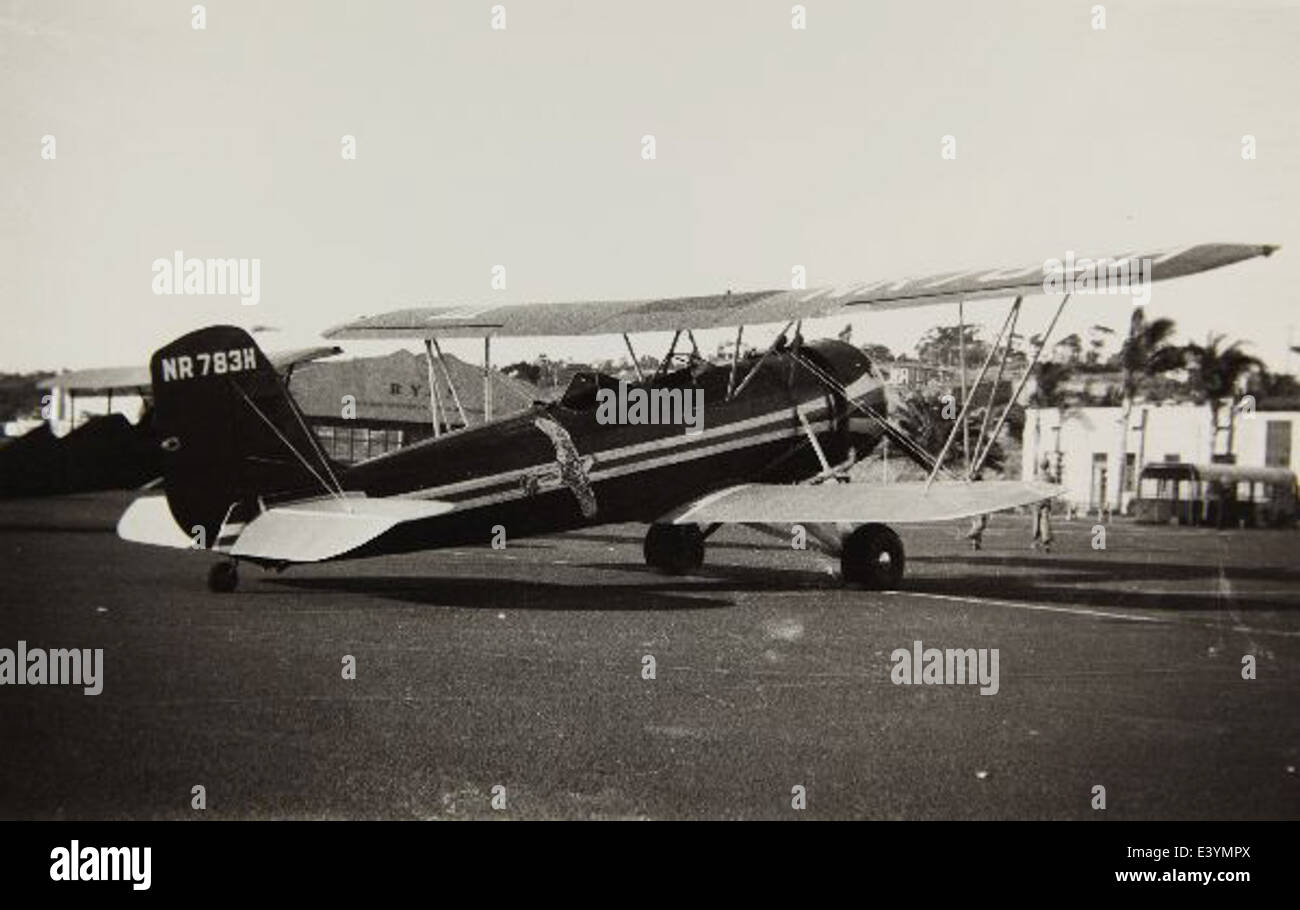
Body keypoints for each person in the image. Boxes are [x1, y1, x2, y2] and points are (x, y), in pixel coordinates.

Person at [1032, 458, 1056, 553]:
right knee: (1045, 522)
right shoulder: (1051, 478)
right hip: (1046, 501)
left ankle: (1035, 540)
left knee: (1036, 521)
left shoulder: (1036, 477)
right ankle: (1046, 542)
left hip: (1037, 501)